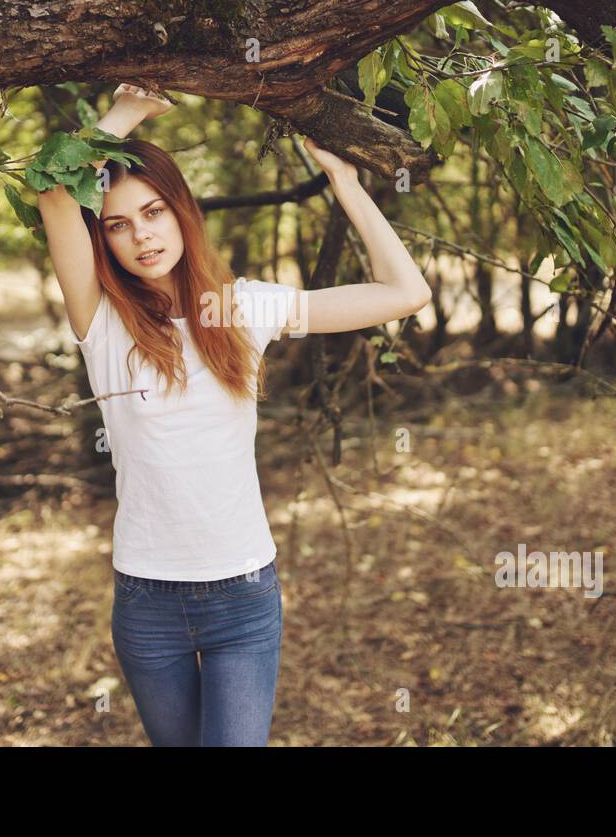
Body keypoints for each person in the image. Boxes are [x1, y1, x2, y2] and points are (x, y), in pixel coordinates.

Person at [34, 83, 432, 746]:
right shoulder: (101, 320)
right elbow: (51, 189)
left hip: (242, 598)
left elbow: (405, 291)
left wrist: (343, 181)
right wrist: (126, 115)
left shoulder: (244, 308)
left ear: (182, 211)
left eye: (154, 212)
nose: (142, 235)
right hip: (147, 601)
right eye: (118, 224)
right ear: (102, 238)